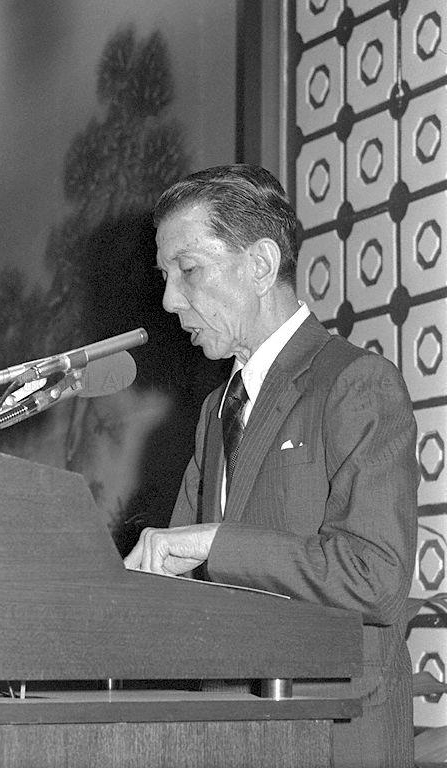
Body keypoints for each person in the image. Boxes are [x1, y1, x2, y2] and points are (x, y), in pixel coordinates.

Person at [124, 164, 418, 767]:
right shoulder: (215, 410)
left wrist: (216, 543)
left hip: (333, 732)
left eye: (188, 270)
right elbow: (177, 577)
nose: (169, 299)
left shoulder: (356, 383)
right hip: (233, 728)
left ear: (260, 263)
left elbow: (377, 579)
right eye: (165, 275)